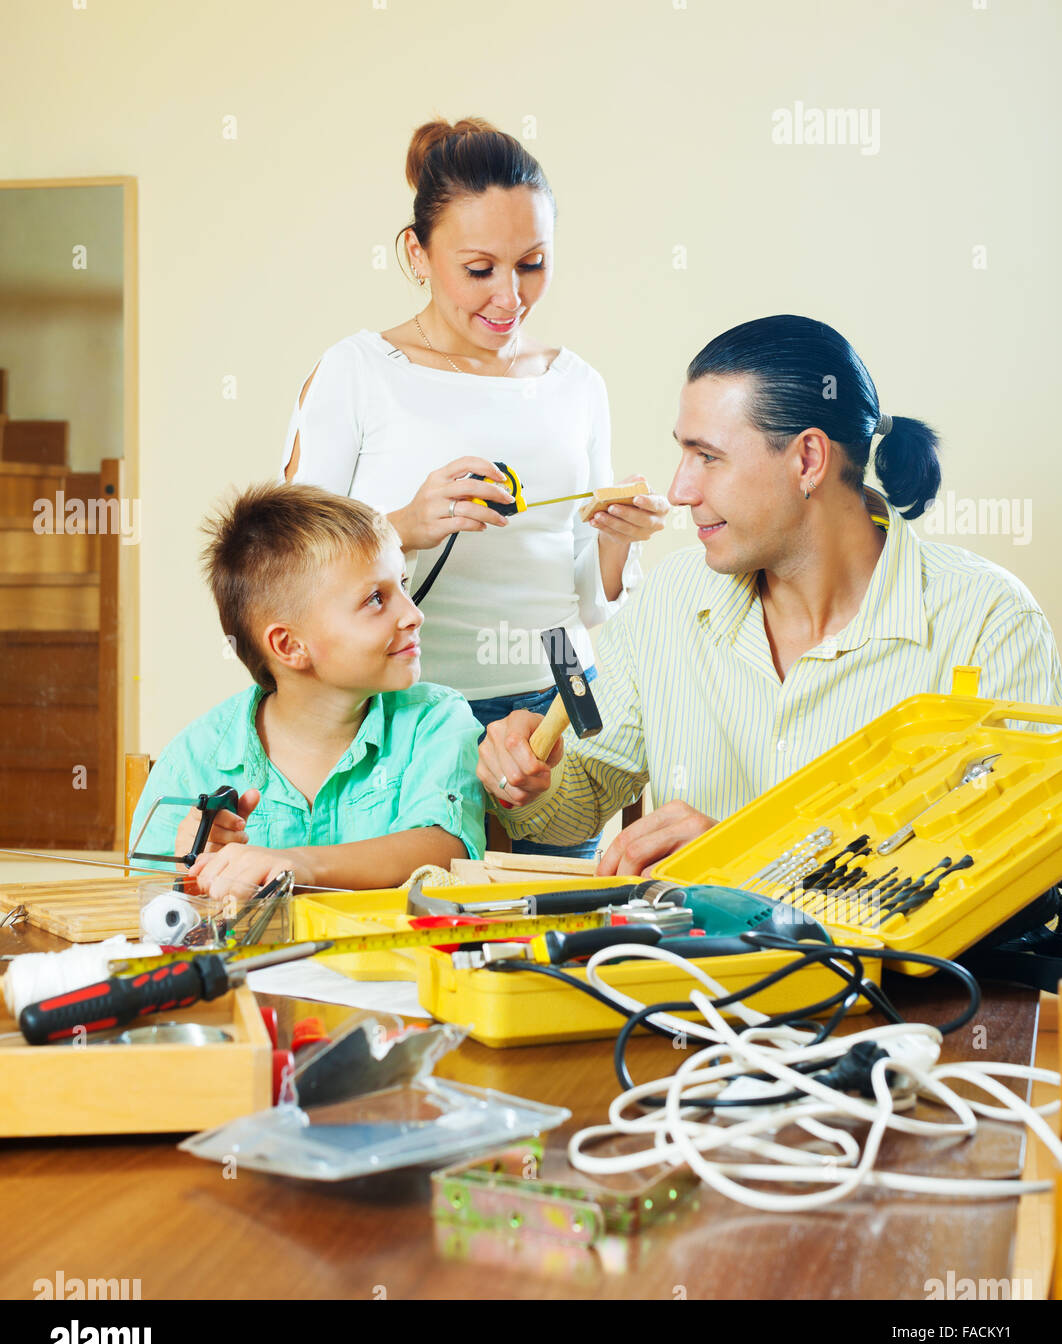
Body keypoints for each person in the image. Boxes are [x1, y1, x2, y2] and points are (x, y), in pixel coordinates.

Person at [477, 314, 1062, 875]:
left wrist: (744, 861)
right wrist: (537, 775)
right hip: (693, 975)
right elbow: (585, 795)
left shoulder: (988, 621)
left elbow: (1003, 870)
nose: (679, 490)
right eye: (684, 451)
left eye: (708, 456)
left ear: (808, 459)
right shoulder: (671, 600)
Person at [280, 116, 669, 857]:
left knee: (542, 941)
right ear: (416, 254)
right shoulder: (358, 373)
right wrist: (402, 525)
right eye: (479, 268)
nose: (509, 297)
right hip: (409, 715)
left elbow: (592, 601)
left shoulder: (576, 384)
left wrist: (615, 545)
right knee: (410, 943)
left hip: (554, 713)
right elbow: (281, 573)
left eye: (532, 263)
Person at [129, 484, 486, 898]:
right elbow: (148, 909)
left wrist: (298, 865)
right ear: (290, 646)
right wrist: (192, 876)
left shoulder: (437, 720)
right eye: (375, 599)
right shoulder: (193, 761)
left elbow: (445, 851)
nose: (413, 614)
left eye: (403, 585)